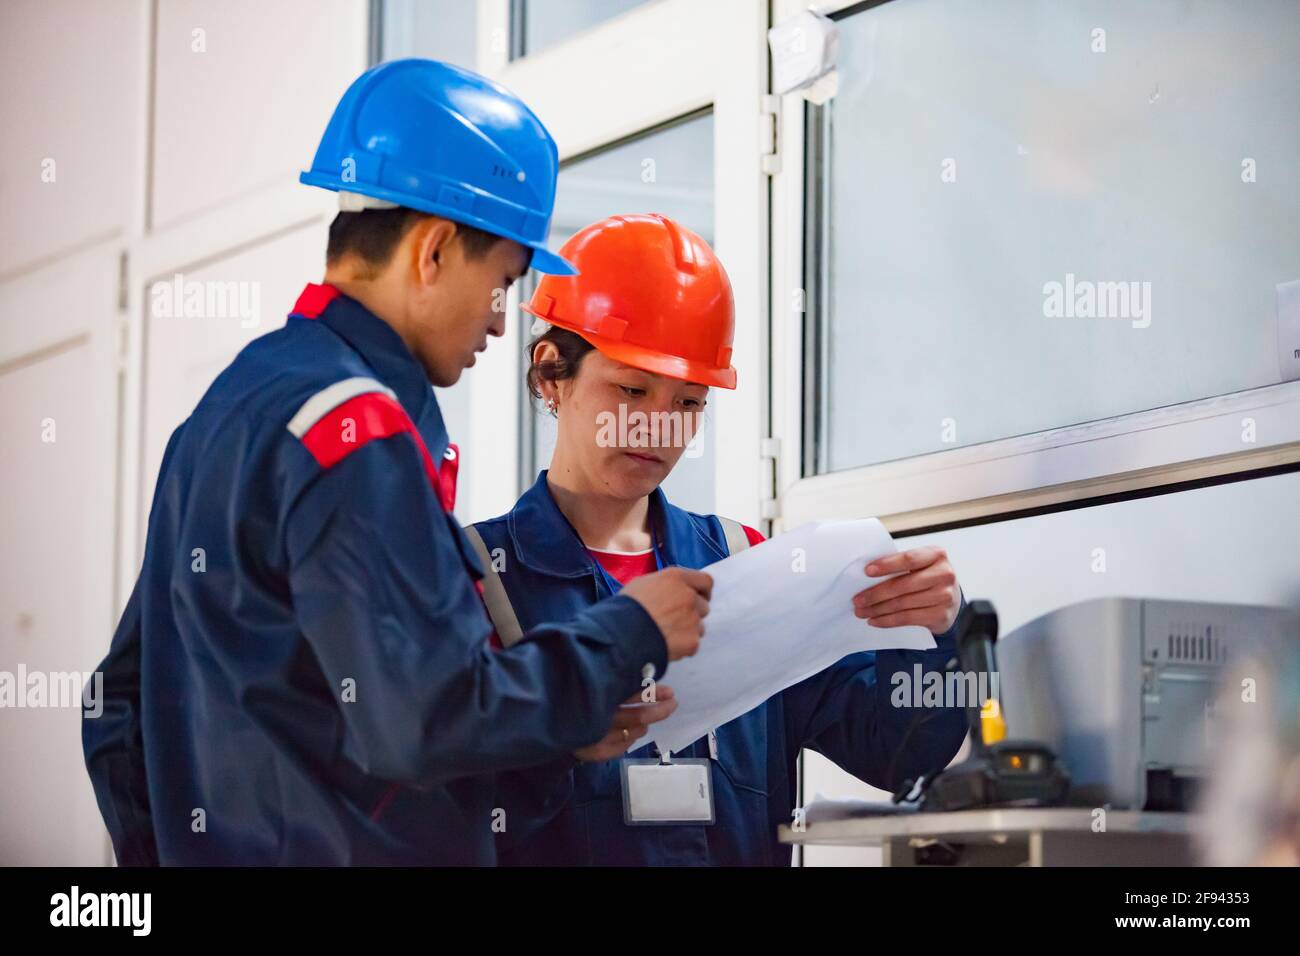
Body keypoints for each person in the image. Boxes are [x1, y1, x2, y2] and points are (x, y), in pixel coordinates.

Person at [82, 60, 710, 865]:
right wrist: (629, 632)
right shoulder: (358, 429)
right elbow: (426, 718)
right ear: (436, 250)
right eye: (505, 280)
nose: (499, 320)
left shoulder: (228, 411)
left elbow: (118, 709)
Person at [469, 213, 970, 865]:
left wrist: (937, 628)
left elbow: (905, 756)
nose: (658, 427)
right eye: (631, 389)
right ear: (551, 375)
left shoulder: (750, 567)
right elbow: (439, 816)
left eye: (687, 403)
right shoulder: (479, 581)